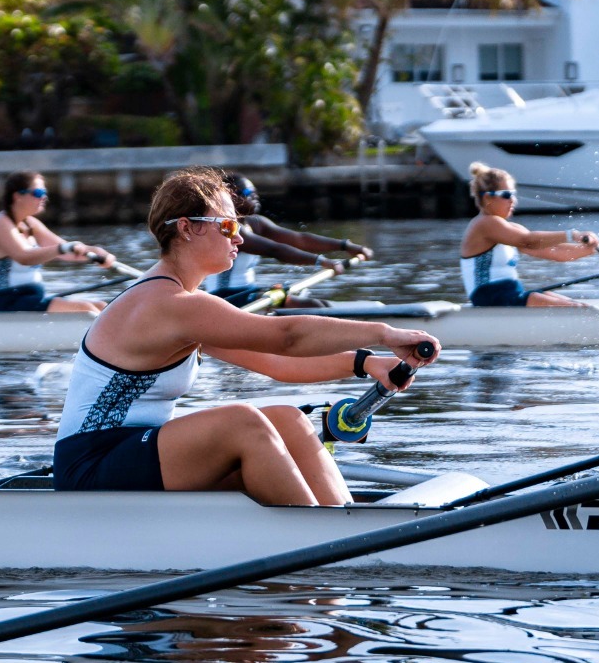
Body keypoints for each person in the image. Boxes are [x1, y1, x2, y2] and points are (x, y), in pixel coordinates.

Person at [52, 166, 439, 505]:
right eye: (229, 225)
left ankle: (341, 524)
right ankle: (324, 545)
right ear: (186, 228)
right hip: (91, 465)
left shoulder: (186, 306)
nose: (240, 237)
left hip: (133, 452)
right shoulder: (166, 302)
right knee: (242, 421)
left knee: (288, 420)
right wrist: (385, 333)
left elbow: (275, 361)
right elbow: (285, 336)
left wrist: (366, 362)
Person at [205, 172, 374, 305]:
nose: (255, 197)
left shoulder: (257, 223)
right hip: (225, 299)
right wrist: (322, 262)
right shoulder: (229, 228)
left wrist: (345, 245)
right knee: (312, 306)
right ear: (232, 197)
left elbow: (298, 239)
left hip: (249, 292)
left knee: (317, 305)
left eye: (257, 193)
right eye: (249, 193)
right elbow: (274, 250)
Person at [459, 163, 599, 308]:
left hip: (508, 296)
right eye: (506, 195)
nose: (513, 200)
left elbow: (554, 251)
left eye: (513, 194)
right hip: (490, 298)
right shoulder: (484, 224)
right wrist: (572, 235)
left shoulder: (510, 230)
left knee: (574, 305)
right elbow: (528, 241)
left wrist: (594, 249)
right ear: (487, 198)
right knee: (574, 310)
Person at [0, 171, 116, 314]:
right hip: (7, 303)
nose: (44, 197)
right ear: (17, 196)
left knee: (103, 307)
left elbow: (69, 253)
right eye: (38, 192)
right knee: (87, 310)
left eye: (44, 192)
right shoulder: (0, 224)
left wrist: (98, 253)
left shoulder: (31, 224)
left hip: (30, 300)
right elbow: (25, 257)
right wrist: (61, 249)